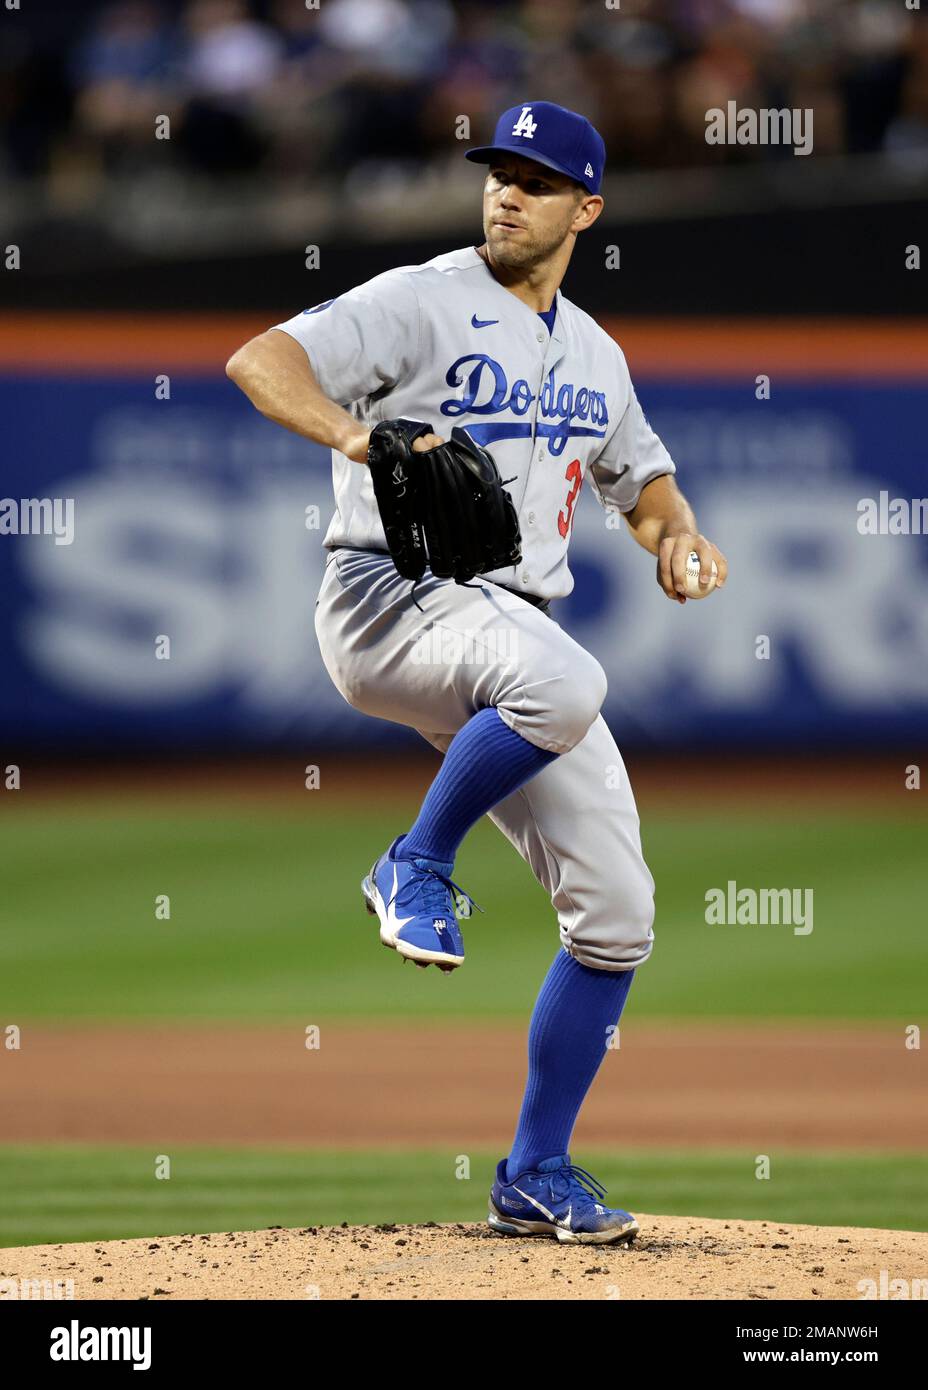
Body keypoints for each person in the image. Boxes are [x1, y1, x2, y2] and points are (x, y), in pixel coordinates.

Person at [227, 100, 728, 1245]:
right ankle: (414, 861)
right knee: (567, 684)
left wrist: (675, 538)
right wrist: (358, 437)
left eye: (537, 180)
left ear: (584, 209)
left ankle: (533, 1172)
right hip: (386, 599)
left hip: (507, 629)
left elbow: (640, 482)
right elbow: (261, 360)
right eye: (497, 171)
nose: (507, 192)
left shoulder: (593, 353)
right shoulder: (420, 296)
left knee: (617, 917)